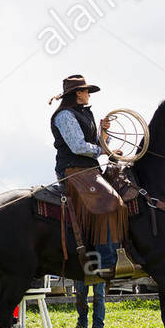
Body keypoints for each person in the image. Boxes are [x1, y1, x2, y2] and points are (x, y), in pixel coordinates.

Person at [49, 74, 126, 279]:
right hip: (73, 170)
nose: (88, 95)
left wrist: (103, 131)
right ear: (77, 94)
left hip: (87, 169)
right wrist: (105, 151)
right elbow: (78, 146)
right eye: (85, 91)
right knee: (110, 202)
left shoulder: (82, 113)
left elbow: (94, 143)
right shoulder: (64, 115)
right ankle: (107, 262)